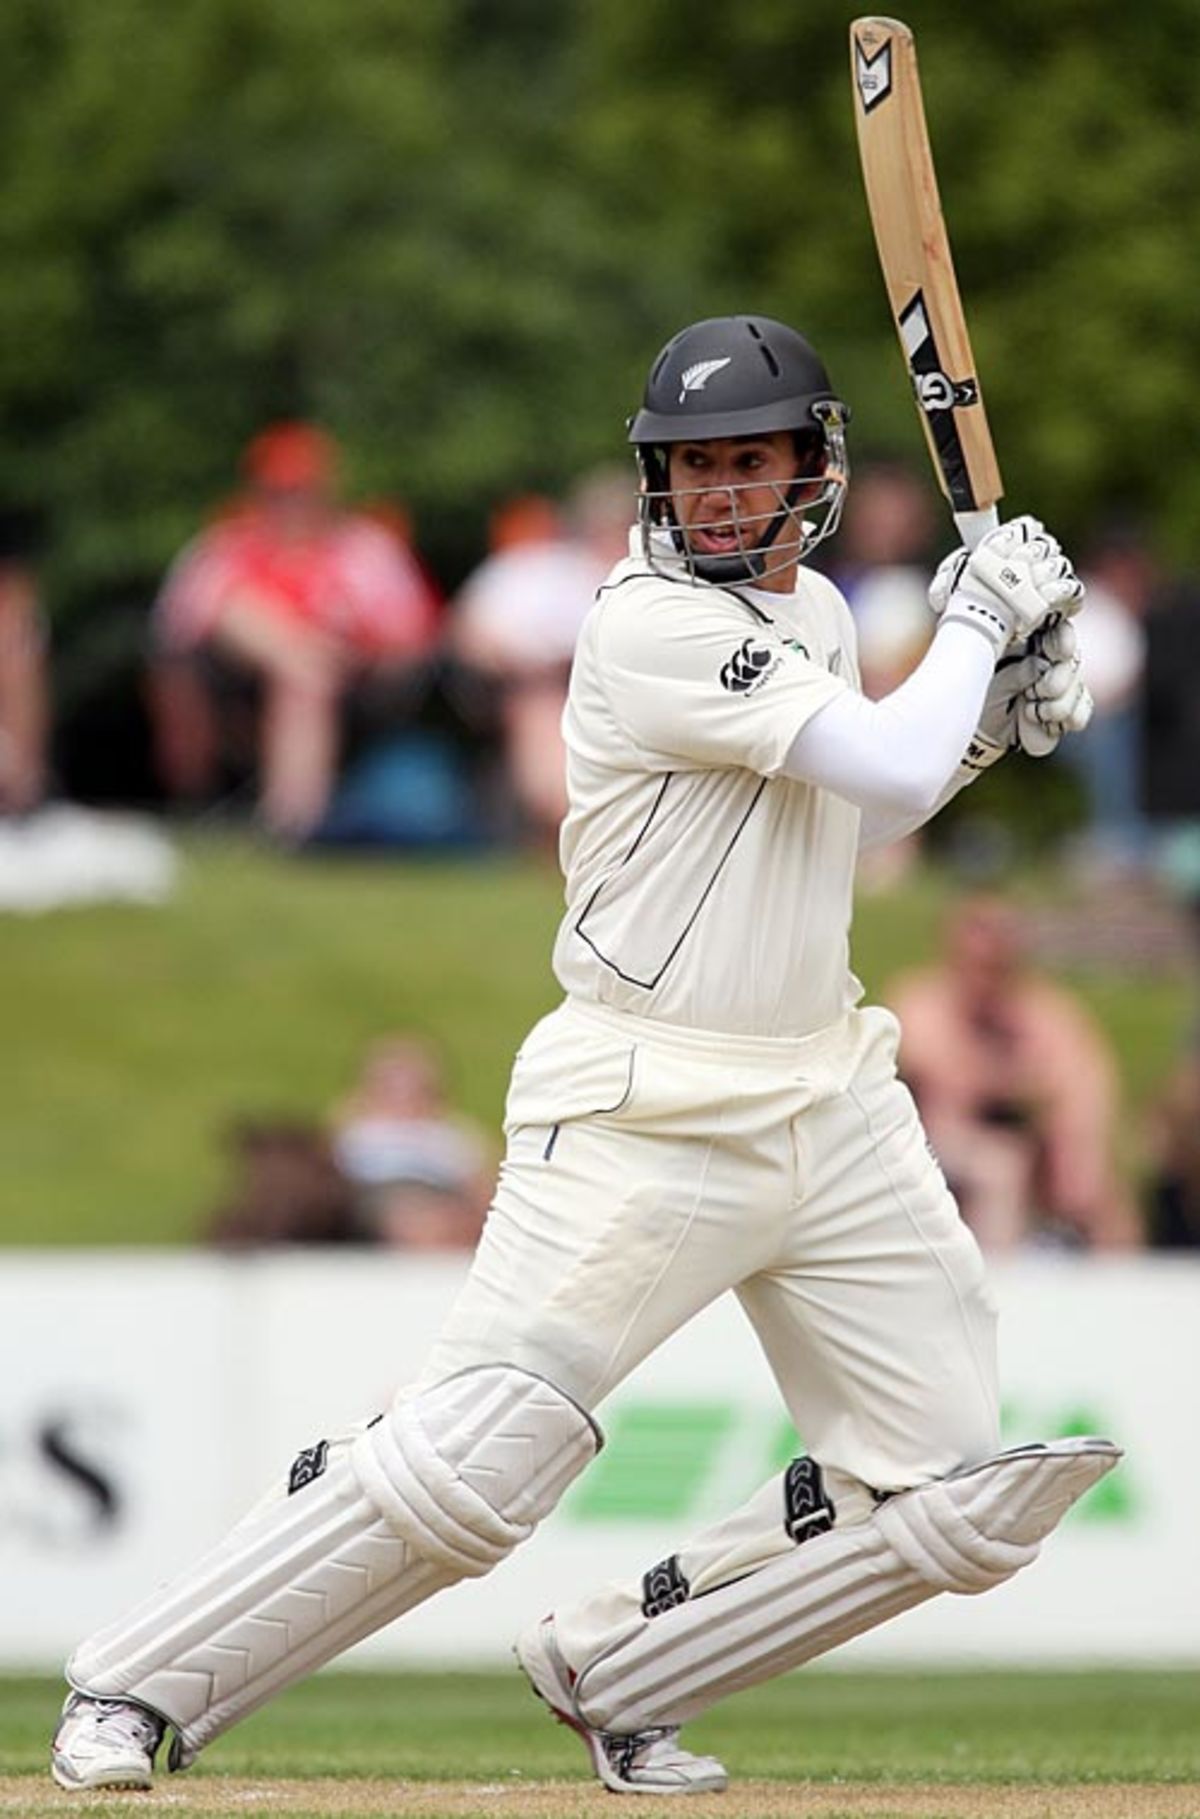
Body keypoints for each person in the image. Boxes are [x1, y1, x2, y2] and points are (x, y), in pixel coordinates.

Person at [51, 315, 1119, 1798]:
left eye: (753, 463)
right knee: (479, 1458)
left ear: (811, 467)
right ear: (654, 478)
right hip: (644, 1103)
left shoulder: (806, 618)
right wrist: (978, 628)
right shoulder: (648, 623)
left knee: (950, 1495)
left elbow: (854, 810)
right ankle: (131, 1683)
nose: (725, 494)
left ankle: (622, 1667)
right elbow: (883, 755)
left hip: (831, 1096)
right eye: (697, 468)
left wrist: (985, 721)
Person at [147, 423, 441, 841]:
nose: (291, 504)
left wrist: (342, 650)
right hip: (233, 681)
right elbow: (174, 629)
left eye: (302, 491)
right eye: (279, 492)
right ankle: (292, 819)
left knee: (303, 678)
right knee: (243, 615)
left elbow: (411, 636)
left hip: (354, 689)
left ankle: (292, 823)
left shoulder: (364, 550)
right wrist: (295, 644)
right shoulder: (225, 549)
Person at [886, 894, 1142, 1253]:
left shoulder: (1042, 1012)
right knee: (999, 1169)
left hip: (1022, 1144)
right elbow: (950, 1080)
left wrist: (1077, 1148)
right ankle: (1000, 1290)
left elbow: (1083, 1081)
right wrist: (1020, 1077)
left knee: (1103, 1193)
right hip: (934, 1145)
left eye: (997, 961)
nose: (986, 973)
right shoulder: (922, 1002)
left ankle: (1122, 1296)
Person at [447, 469, 631, 846]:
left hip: (625, 695)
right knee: (541, 705)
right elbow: (468, 629)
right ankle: (560, 820)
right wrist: (520, 664)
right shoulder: (536, 570)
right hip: (533, 689)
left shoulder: (652, 582)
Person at [330, 1035, 495, 1250]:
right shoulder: (354, 1135)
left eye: (414, 1088)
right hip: (376, 1209)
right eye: (391, 1087)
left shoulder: (450, 1137)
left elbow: (486, 1190)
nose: (403, 1097)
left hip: (441, 1205)